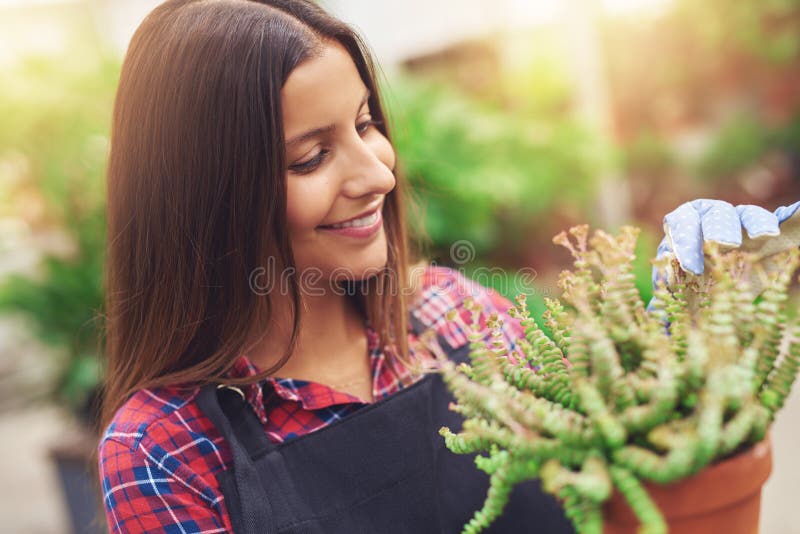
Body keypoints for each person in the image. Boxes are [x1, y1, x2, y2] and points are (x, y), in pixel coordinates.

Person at [96, 1, 800, 533]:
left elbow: (629, 486)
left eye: (367, 125)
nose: (376, 172)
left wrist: (695, 333)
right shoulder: (163, 449)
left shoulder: (451, 313)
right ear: (205, 198)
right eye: (311, 156)